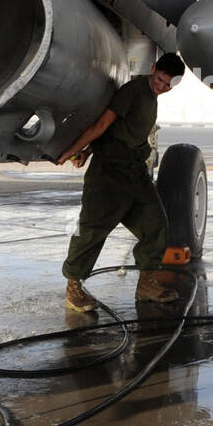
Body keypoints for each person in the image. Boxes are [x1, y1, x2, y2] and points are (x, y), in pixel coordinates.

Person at [56, 53, 187, 311]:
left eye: (167, 84)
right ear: (153, 69)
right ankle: (73, 289)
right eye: (159, 79)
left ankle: (147, 284)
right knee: (93, 229)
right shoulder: (134, 91)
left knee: (156, 224)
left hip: (134, 171)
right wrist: (74, 150)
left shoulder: (152, 97)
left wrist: (88, 149)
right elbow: (103, 124)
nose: (161, 86)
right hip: (109, 171)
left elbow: (118, 130)